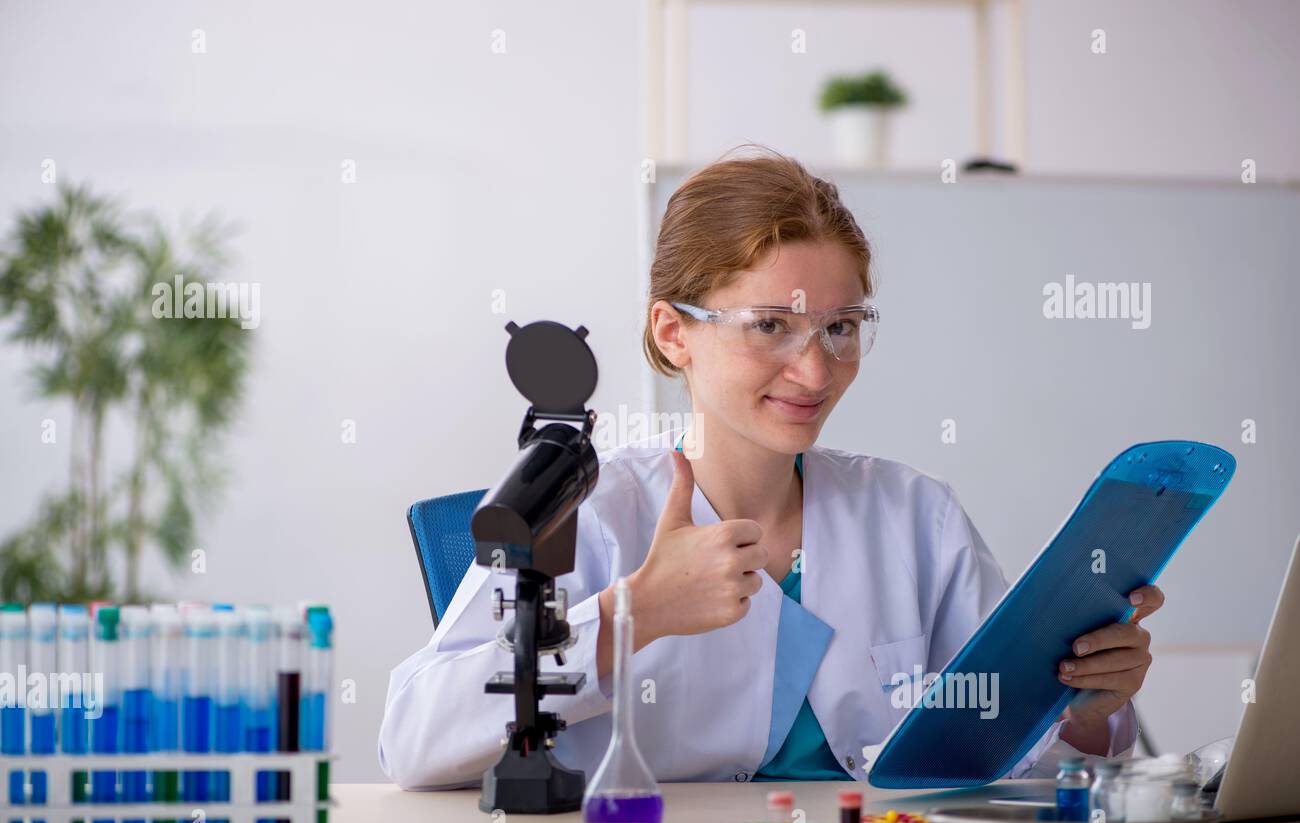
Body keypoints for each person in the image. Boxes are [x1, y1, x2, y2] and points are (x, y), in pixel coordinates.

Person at [379, 147, 1158, 789]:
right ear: (674, 332)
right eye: (772, 326)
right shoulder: (585, 510)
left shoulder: (915, 514)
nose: (815, 373)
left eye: (841, 328)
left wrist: (1084, 708)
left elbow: (998, 756)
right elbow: (410, 741)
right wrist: (632, 614)